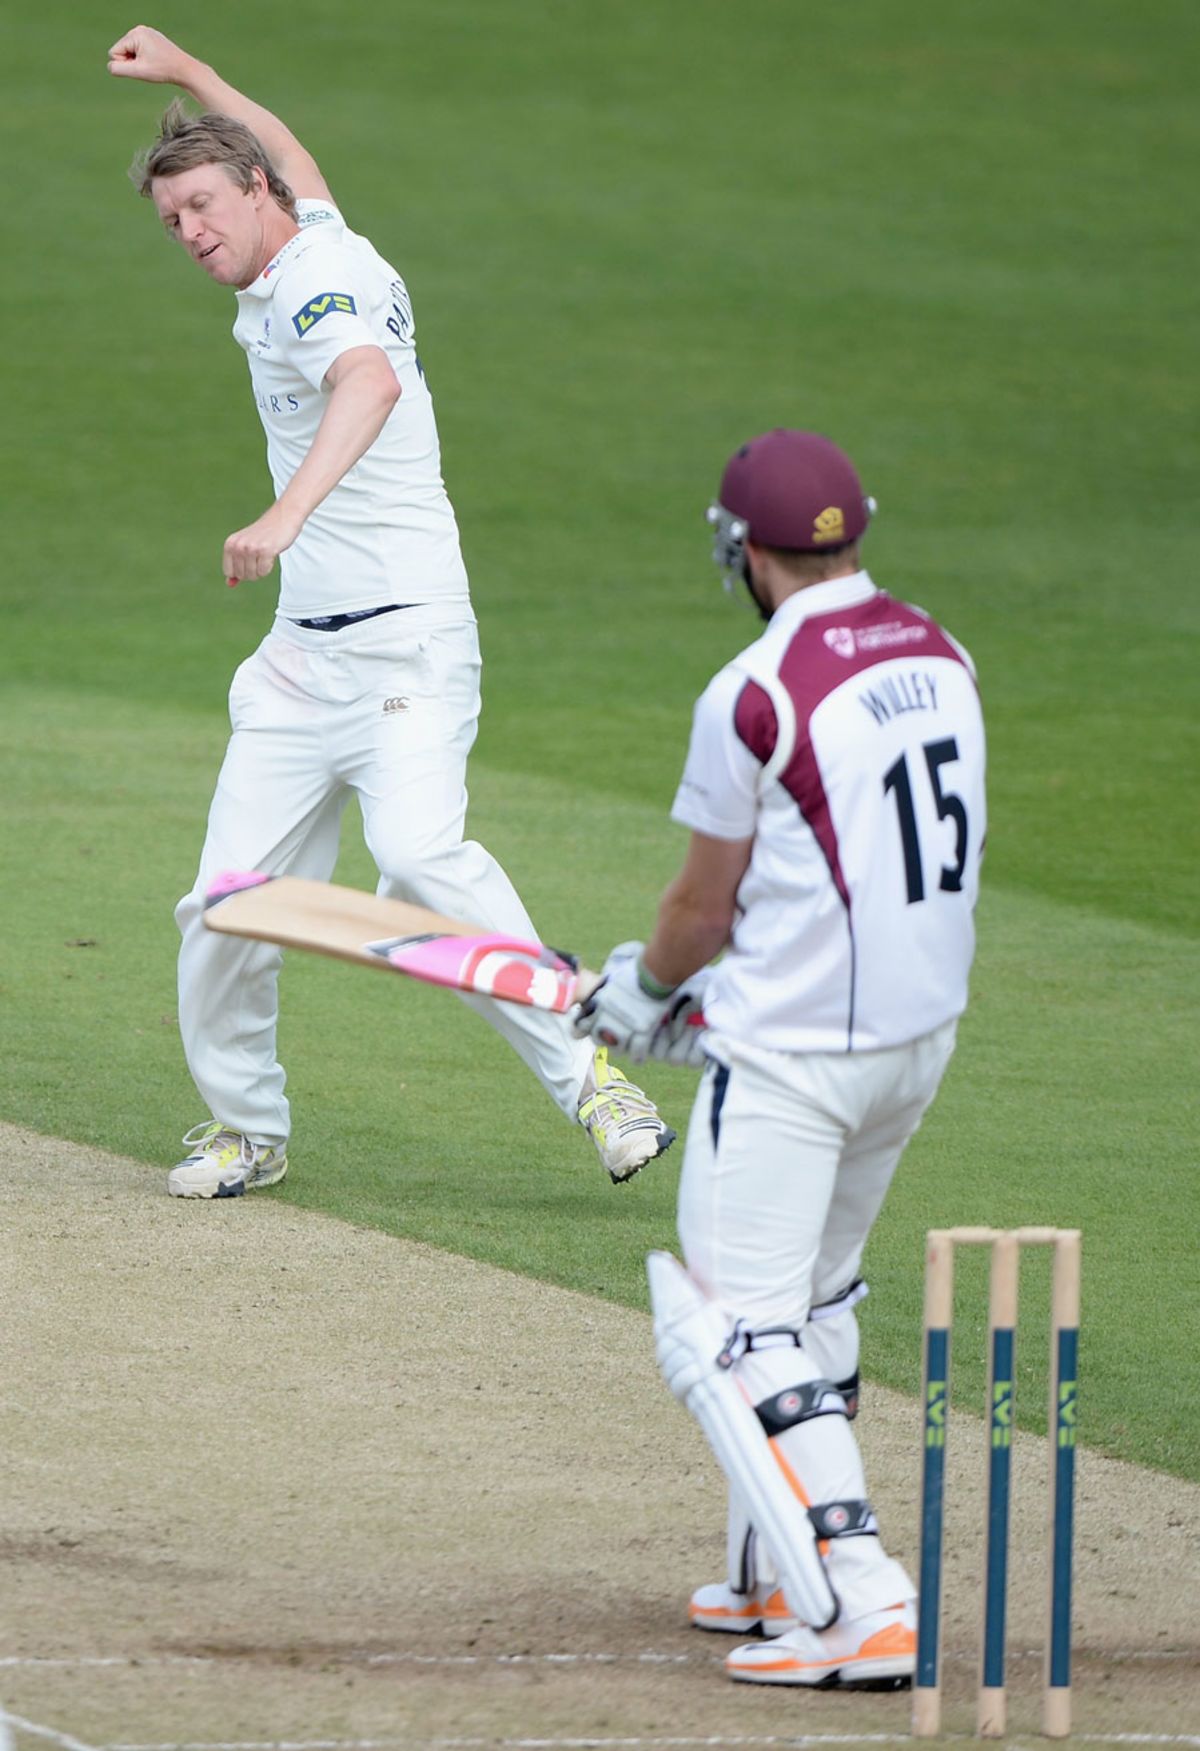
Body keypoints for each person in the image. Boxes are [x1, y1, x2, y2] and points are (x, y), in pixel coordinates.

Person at [107, 26, 674, 1198]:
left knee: (418, 856)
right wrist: (193, 77)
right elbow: (294, 152)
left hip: (406, 643)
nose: (192, 231)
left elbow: (369, 381)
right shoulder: (317, 233)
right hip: (299, 671)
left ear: (250, 193)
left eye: (205, 204)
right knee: (223, 909)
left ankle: (597, 1071)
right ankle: (247, 1129)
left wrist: (284, 515)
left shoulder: (316, 287)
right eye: (173, 221)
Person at [575, 429, 986, 1689]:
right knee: (814, 1301)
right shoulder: (943, 650)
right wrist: (704, 997)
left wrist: (646, 995)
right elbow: (852, 870)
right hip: (915, 1041)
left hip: (797, 1059)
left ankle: (859, 1599)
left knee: (731, 1329)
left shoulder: (755, 688)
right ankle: (769, 1572)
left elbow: (702, 907)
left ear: (742, 550)